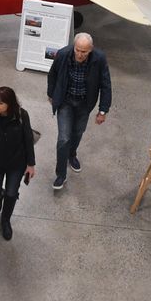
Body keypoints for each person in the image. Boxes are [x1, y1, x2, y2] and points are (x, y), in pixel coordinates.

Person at [46, 32, 112, 189]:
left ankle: (72, 154)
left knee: (77, 133)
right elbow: (52, 74)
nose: (80, 54)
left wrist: (103, 110)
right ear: (74, 46)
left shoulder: (99, 59)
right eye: (78, 50)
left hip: (84, 103)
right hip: (65, 102)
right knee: (63, 138)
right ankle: (61, 175)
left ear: (91, 49)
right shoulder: (63, 54)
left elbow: (106, 85)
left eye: (84, 51)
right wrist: (51, 94)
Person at [0, 86, 36, 240]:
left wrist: (31, 164)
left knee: (12, 193)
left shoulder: (22, 115)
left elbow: (28, 140)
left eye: (1, 102)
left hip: (17, 163)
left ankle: (5, 220)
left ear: (10, 104)